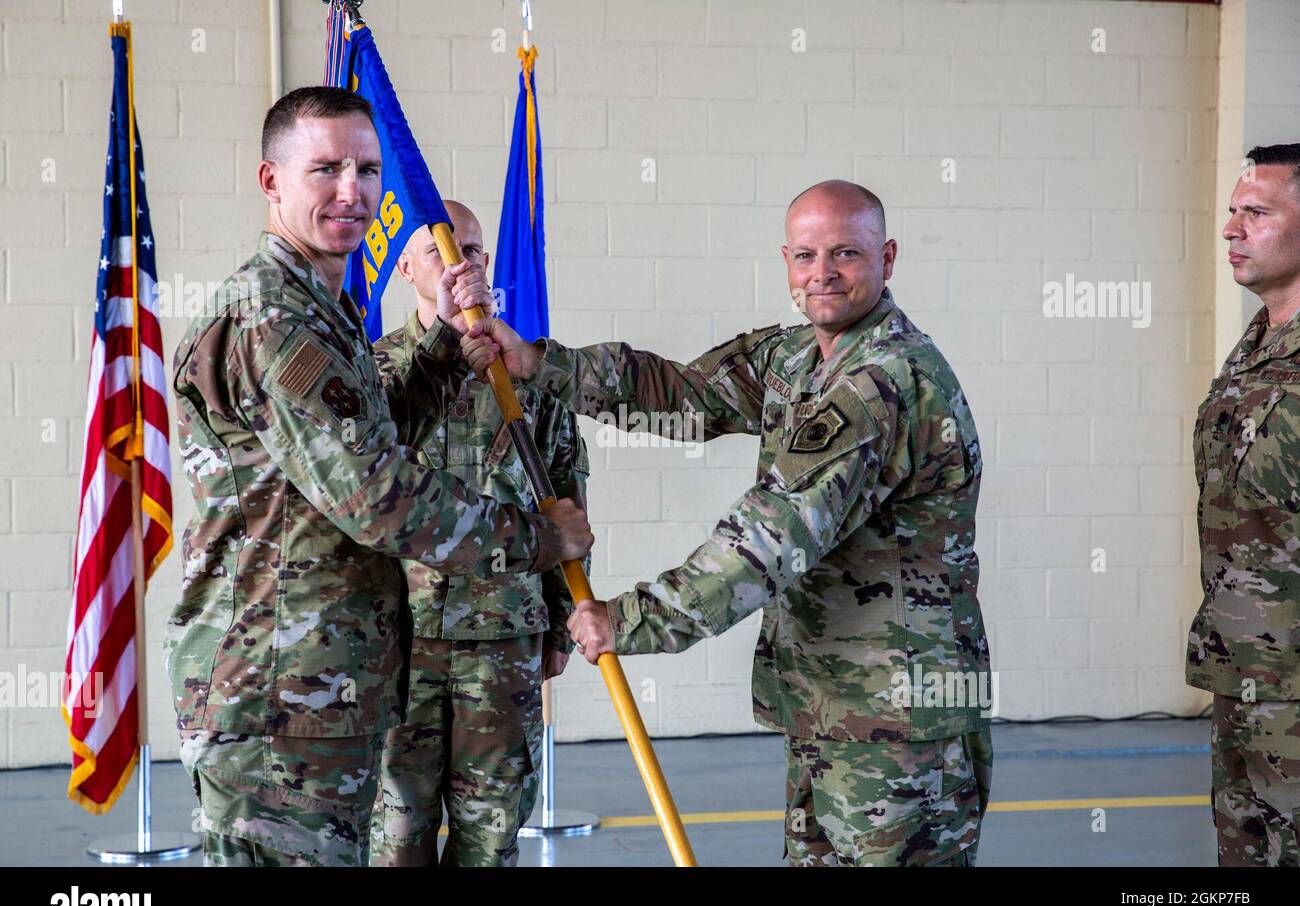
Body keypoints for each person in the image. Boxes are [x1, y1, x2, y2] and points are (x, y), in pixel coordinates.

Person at [456, 179, 993, 866]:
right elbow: (685, 394)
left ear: (887, 257)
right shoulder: (799, 358)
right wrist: (541, 364)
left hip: (899, 726)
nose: (821, 273)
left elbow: (769, 538)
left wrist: (632, 619)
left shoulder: (881, 384)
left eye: (846, 254)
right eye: (805, 256)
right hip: (835, 709)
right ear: (786, 261)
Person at [164, 86, 591, 866]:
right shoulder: (275, 319)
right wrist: (534, 539)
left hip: (323, 682)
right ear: (272, 182)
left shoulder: (321, 310)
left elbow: (369, 439)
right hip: (279, 690)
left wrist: (437, 358)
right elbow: (378, 498)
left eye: (366, 169)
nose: (351, 191)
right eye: (324, 169)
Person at [368, 201, 588, 866]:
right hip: (399, 646)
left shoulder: (526, 377)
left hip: (504, 643)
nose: (460, 265)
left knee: (491, 839)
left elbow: (564, 505)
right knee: (395, 839)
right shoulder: (372, 373)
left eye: (473, 251)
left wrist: (559, 620)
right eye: (439, 250)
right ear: (405, 266)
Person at [1190, 143, 1300, 867]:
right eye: (1232, 212)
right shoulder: (1255, 346)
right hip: (1244, 680)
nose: (1231, 229)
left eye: (1254, 212)